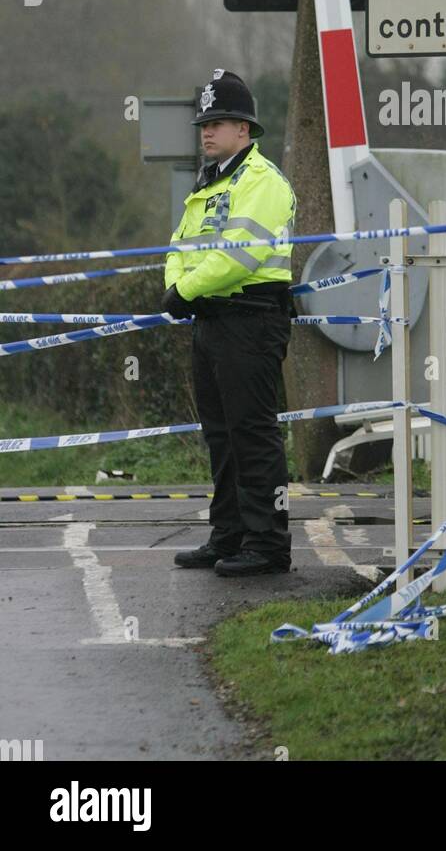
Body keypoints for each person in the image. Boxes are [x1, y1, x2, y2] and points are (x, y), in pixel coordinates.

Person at [163, 69, 296, 577]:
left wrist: (185, 290)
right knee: (220, 434)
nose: (207, 131)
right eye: (204, 122)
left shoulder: (260, 180)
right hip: (211, 320)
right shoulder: (209, 182)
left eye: (218, 121)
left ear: (245, 129)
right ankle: (229, 535)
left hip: (250, 318)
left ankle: (268, 545)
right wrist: (178, 286)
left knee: (253, 434)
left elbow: (239, 256)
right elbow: (179, 245)